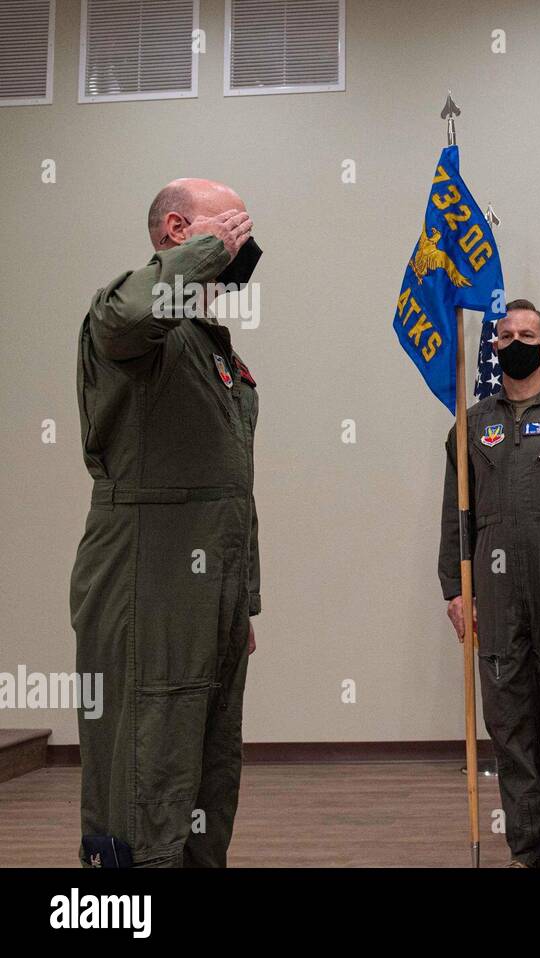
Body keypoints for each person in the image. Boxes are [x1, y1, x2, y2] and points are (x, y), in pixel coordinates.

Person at [71, 178, 263, 867]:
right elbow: (130, 315)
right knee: (144, 763)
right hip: (145, 579)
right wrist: (204, 257)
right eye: (229, 224)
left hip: (208, 592)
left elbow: (229, 493)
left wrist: (240, 605)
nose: (245, 235)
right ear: (179, 231)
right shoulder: (130, 322)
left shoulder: (212, 347)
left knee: (209, 765)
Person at [438, 299, 540, 868]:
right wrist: (455, 590)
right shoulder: (470, 425)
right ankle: (524, 847)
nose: (516, 342)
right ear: (494, 346)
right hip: (497, 590)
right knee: (510, 722)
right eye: (506, 335)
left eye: (527, 334)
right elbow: (457, 516)